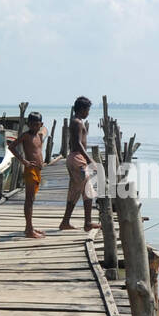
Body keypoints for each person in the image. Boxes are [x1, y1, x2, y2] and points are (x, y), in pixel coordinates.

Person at [60, 96, 99, 231]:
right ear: (82, 109)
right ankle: (68, 222)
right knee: (80, 191)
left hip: (76, 158)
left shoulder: (77, 121)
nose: (88, 113)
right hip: (77, 159)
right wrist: (89, 160)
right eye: (87, 110)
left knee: (86, 191)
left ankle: (86, 222)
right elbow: (77, 143)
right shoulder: (77, 122)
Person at [10, 112, 46, 238]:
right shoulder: (25, 136)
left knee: (32, 199)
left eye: (37, 124)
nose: (35, 127)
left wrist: (42, 163)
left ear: (41, 125)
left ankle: (28, 227)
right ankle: (29, 230)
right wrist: (24, 161)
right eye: (32, 124)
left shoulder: (40, 135)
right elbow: (11, 147)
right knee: (29, 200)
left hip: (38, 170)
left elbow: (38, 151)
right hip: (30, 170)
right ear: (28, 124)